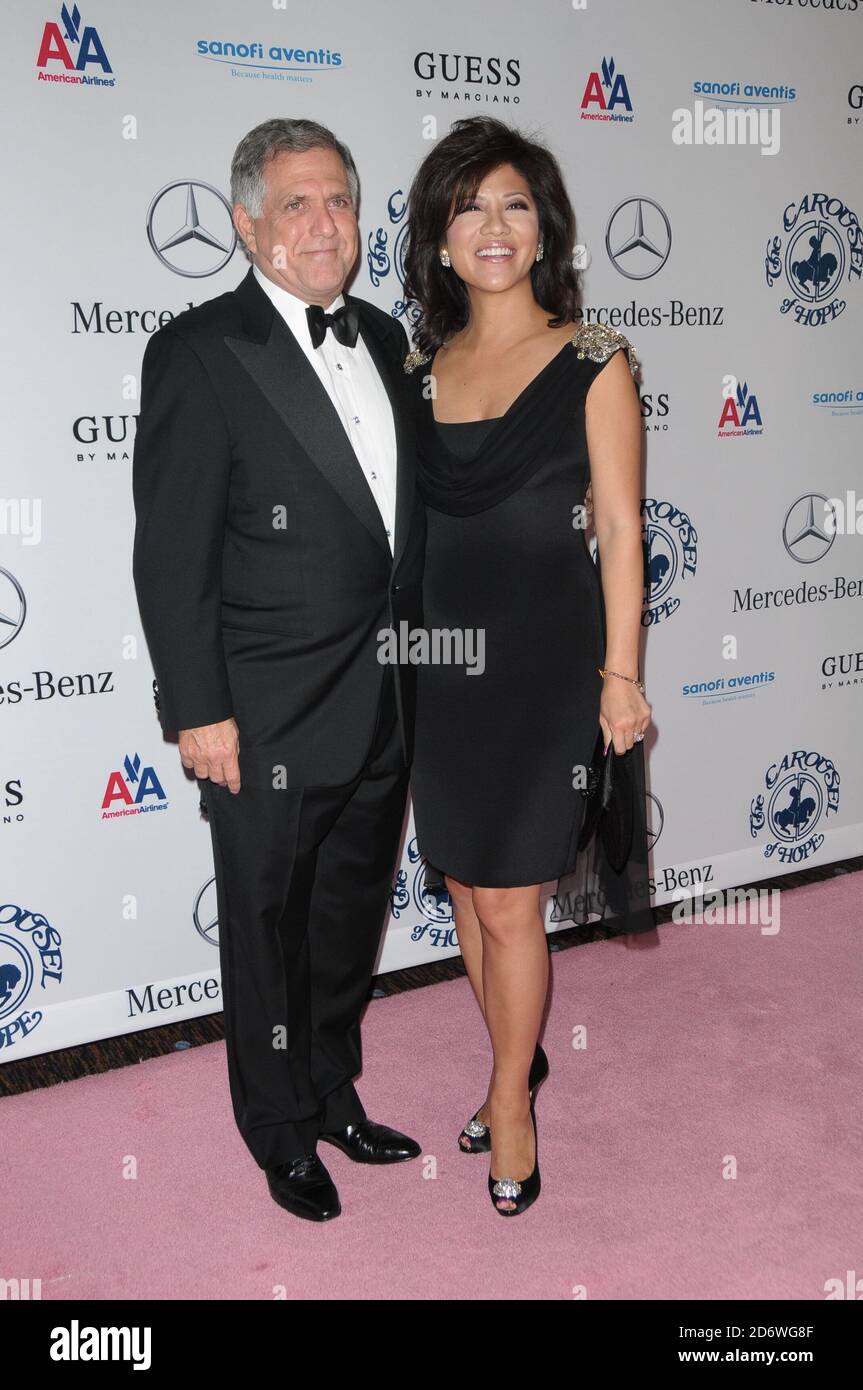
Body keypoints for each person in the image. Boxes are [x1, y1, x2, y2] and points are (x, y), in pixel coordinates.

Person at [132, 118, 426, 1223]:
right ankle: (276, 1128)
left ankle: (332, 1089)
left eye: (339, 200)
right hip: (260, 715)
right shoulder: (202, 351)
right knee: (265, 926)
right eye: (296, 203)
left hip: (386, 700)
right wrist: (197, 709)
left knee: (347, 915)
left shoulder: (391, 341)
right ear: (248, 222)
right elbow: (171, 553)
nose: (322, 223)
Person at [402, 116, 655, 1218]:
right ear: (440, 237)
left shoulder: (593, 358)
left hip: (547, 669)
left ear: (541, 226)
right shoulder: (415, 369)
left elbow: (620, 522)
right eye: (468, 207)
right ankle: (515, 1058)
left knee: (511, 904)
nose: (490, 227)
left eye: (511, 203)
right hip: (435, 669)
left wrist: (620, 674)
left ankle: (511, 1100)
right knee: (463, 886)